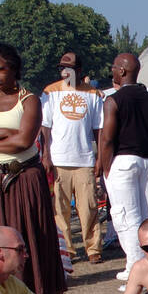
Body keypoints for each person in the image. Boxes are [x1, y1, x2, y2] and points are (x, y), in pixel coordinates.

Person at [0, 44, 67, 294]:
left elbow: (23, 142)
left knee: (28, 237)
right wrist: (4, 132)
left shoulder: (29, 100)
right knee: (0, 240)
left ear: (13, 68)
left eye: (0, 69)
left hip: (24, 178)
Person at [99, 53, 148, 280]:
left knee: (126, 216)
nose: (112, 71)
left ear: (122, 71)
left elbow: (107, 139)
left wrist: (106, 169)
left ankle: (135, 267)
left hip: (122, 161)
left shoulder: (113, 100)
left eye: (114, 68)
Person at [41, 51, 105, 264]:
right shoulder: (50, 92)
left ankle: (93, 248)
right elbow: (45, 127)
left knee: (89, 207)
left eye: (69, 68)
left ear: (79, 70)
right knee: (60, 209)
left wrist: (99, 158)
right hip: (58, 159)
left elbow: (99, 129)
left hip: (84, 160)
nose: (64, 72)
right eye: (62, 68)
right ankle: (66, 248)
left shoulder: (92, 94)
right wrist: (46, 155)